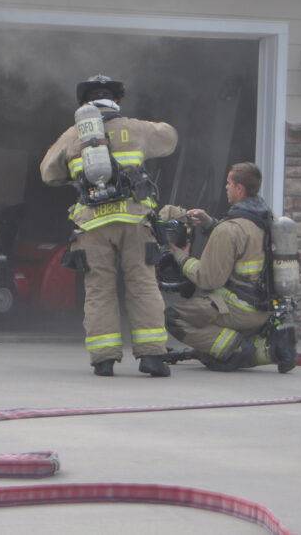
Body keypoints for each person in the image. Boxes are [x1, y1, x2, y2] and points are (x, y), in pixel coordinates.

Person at [40, 74, 177, 377]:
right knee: (142, 284)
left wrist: (74, 172)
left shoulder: (72, 135)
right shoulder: (135, 128)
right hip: (134, 221)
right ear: (115, 101)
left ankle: (103, 360)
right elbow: (169, 138)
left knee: (99, 290)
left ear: (84, 104)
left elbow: (48, 174)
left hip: (92, 223)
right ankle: (152, 356)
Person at [161, 162, 298, 373]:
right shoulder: (267, 217)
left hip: (238, 310)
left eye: (228, 183)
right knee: (212, 355)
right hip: (264, 311)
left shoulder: (228, 230)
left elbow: (208, 278)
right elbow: (243, 241)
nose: (225, 187)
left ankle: (233, 346)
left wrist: (180, 257)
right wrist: (209, 223)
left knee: (173, 317)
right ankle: (274, 349)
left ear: (239, 189)